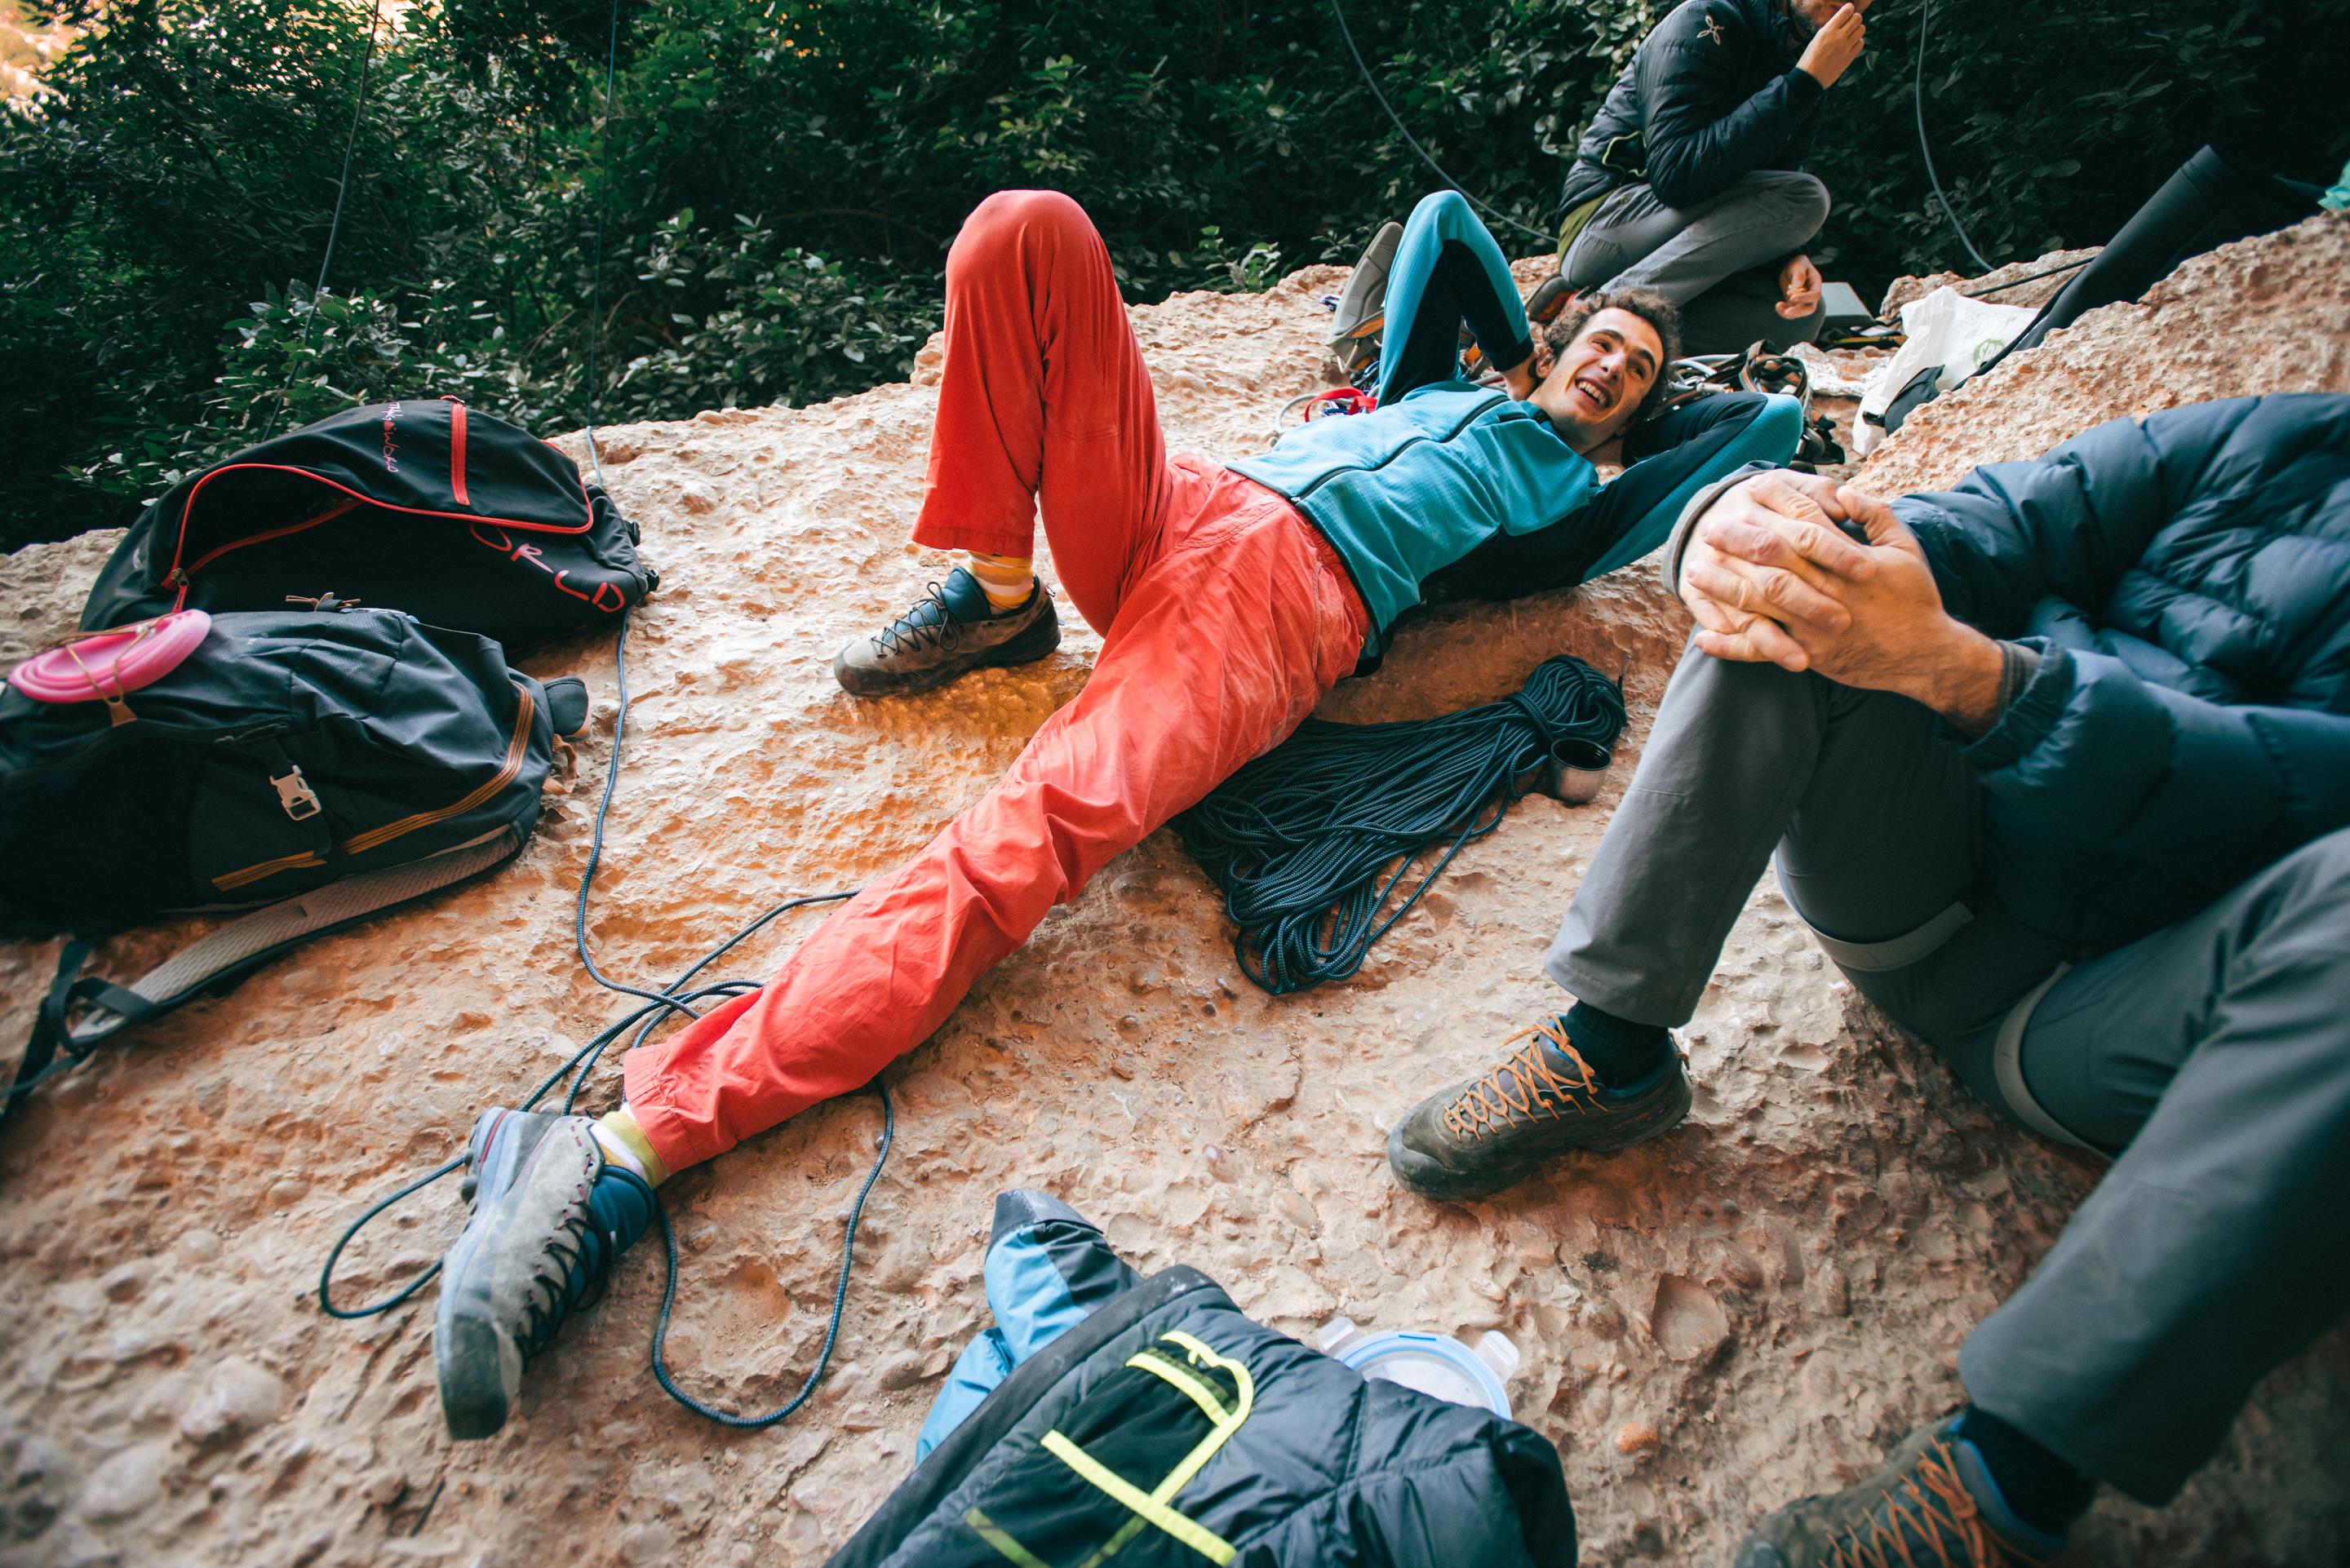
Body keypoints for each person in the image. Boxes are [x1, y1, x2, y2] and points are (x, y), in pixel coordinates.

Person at [424, 186, 1802, 1440]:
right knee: (1029, 233)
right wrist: (1528, 340)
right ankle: (1006, 604)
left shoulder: (1580, 496)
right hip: (1191, 503)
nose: (1610, 363)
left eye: (1635, 370)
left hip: (1286, 608)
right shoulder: (1440, 385)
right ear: (1559, 334)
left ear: (1639, 415)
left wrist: (1703, 378)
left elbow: (1763, 430)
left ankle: (622, 1150)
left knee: (1019, 845)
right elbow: (1441, 224)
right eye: (1599, 340)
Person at [1386, 393, 2350, 1565]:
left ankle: (2006, 1485)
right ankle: (1611, 1048)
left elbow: (2270, 798)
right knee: (1800, 590)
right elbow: (1985, 525)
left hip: (2125, 1024)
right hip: (1928, 889)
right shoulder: (2283, 438)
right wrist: (1752, 527)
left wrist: (1981, 680)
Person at [1554, 0, 1872, 355]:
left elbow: (1772, 183)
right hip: (1605, 225)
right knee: (1807, 198)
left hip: (1671, 244)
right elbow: (1677, 176)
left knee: (1798, 320)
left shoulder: (1806, 63)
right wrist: (1803, 84)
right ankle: (1594, 319)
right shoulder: (1703, 19)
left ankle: (1628, 339)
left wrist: (1790, 257)